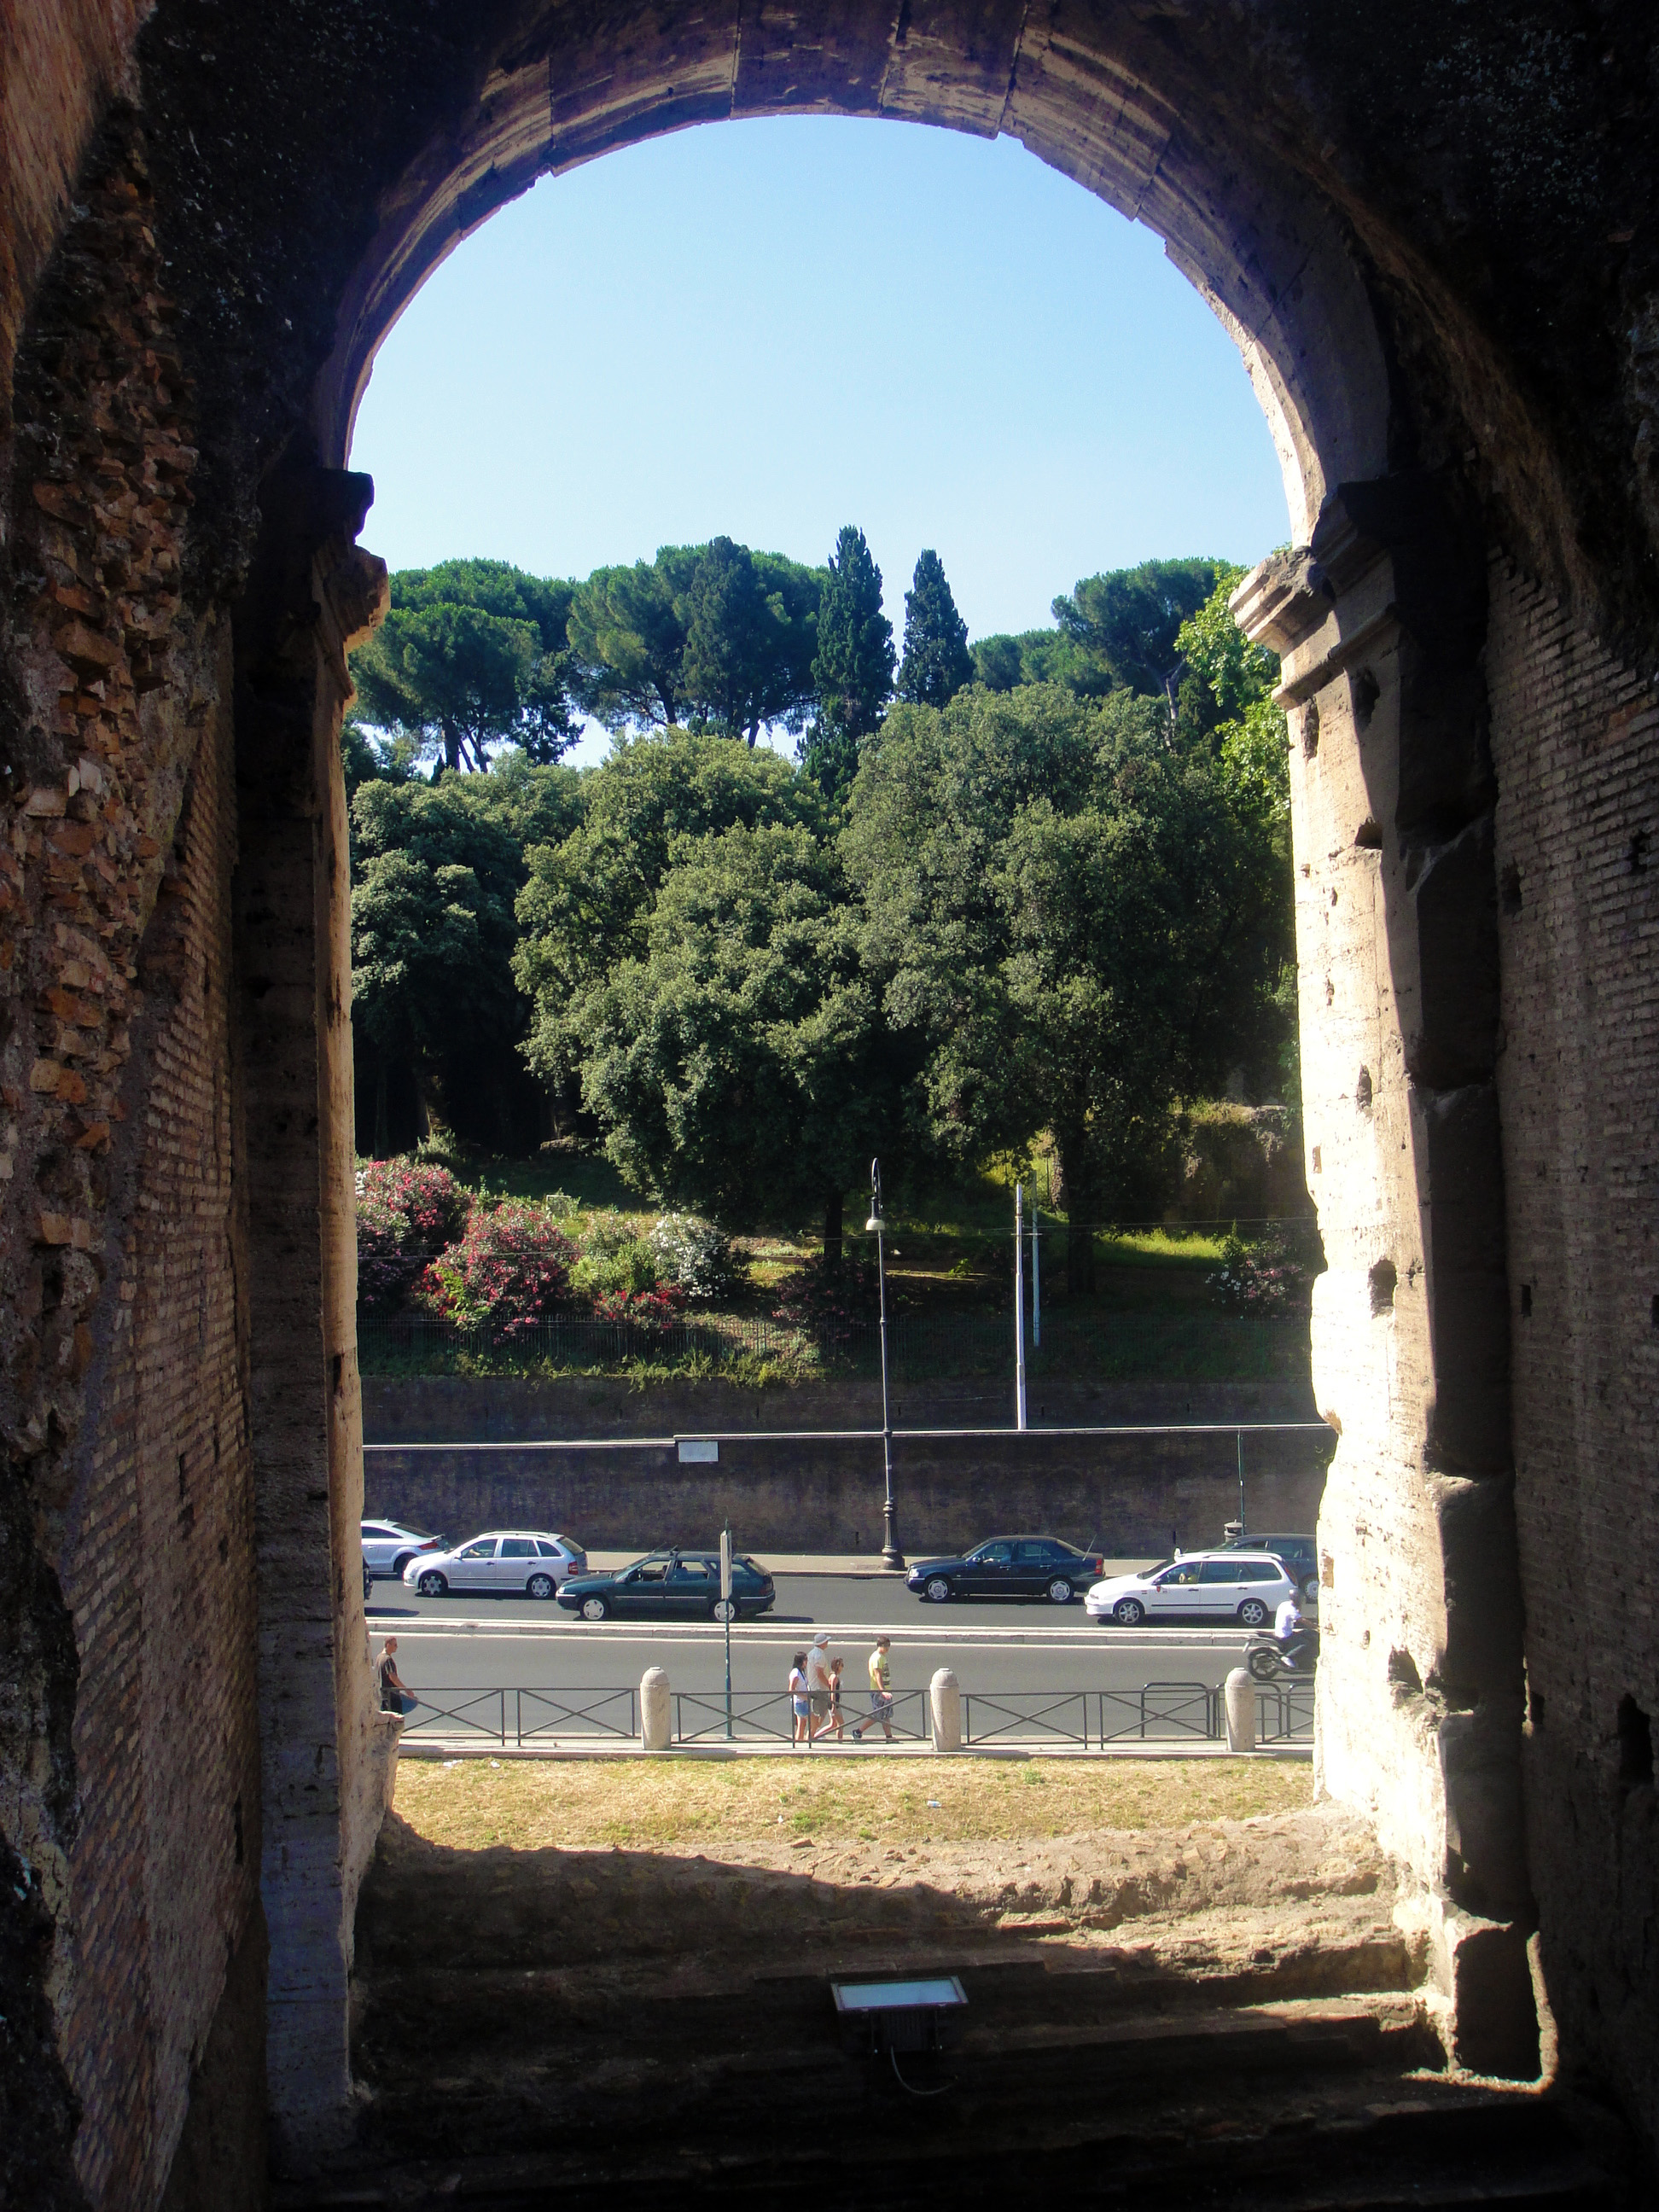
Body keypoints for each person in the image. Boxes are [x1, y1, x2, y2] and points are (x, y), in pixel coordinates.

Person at [853, 1636, 894, 1742]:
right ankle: (858, 1731)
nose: (888, 1648)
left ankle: (889, 1737)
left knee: (885, 1715)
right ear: (881, 1645)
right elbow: (877, 1675)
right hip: (879, 1691)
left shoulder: (882, 1657)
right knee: (878, 1714)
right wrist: (882, 1691)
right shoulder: (877, 1657)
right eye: (886, 1646)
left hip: (884, 1691)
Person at [805, 1632, 833, 1740]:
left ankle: (813, 1733)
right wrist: (829, 1685)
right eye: (826, 1641)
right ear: (822, 1643)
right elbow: (819, 1673)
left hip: (813, 1686)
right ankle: (814, 1734)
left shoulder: (811, 1653)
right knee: (821, 1712)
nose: (827, 1643)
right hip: (819, 1688)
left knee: (819, 1711)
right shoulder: (819, 1655)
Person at [377, 1637, 415, 1717]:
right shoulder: (387, 1659)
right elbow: (392, 1677)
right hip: (392, 1696)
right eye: (395, 1645)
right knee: (396, 1721)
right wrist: (406, 1690)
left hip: (383, 1695)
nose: (396, 1647)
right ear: (388, 1645)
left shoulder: (379, 1658)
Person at [823, 1656, 848, 1743]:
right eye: (841, 1665)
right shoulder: (834, 1677)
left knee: (833, 1724)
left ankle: (817, 1735)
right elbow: (832, 1692)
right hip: (835, 1703)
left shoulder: (833, 1676)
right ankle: (840, 1742)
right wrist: (834, 1705)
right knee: (841, 1724)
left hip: (834, 1703)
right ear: (837, 1666)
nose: (842, 1667)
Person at [789, 1651, 812, 1745]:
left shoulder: (801, 1671)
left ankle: (799, 1743)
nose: (807, 1662)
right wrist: (804, 1696)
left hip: (802, 1702)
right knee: (812, 1721)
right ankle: (805, 1742)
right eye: (806, 1660)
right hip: (800, 1703)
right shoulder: (796, 1673)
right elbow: (791, 1689)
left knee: (802, 1725)